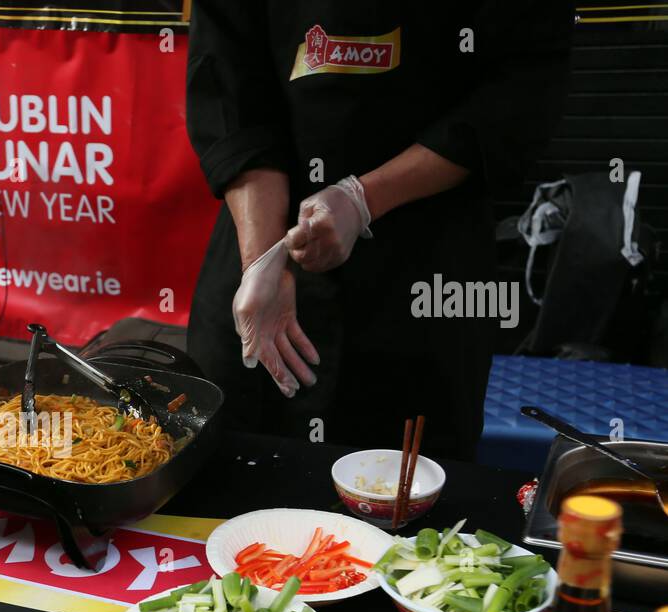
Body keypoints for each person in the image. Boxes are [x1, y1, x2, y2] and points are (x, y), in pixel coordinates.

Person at [186, 1, 574, 460]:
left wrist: (362, 199)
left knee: (414, 505)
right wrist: (262, 260)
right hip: (266, 257)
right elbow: (229, 91)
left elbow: (518, 91)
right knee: (231, 484)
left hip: (428, 276)